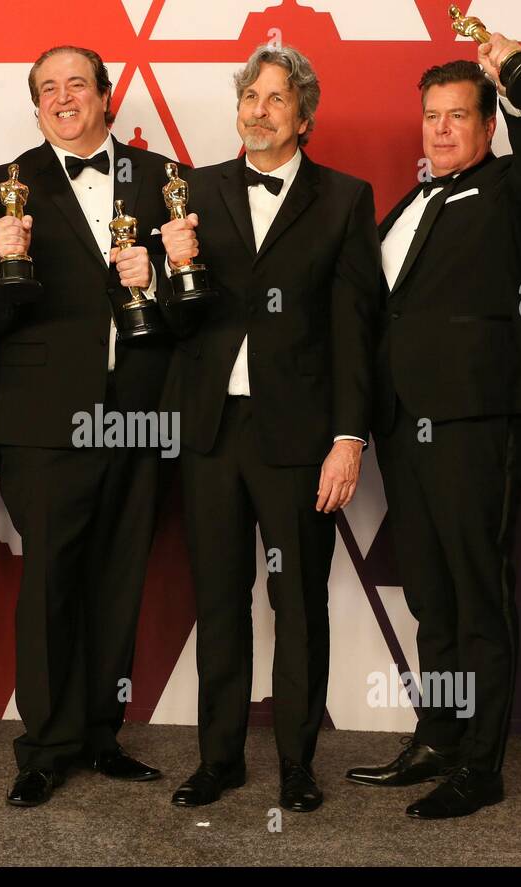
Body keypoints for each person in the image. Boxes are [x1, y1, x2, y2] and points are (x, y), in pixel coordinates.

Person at [345, 38, 521, 819]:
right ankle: (438, 737)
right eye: (430, 118)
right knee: (433, 597)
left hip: (477, 420)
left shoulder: (514, 186)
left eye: (457, 118)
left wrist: (511, 74)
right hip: (405, 428)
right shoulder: (408, 203)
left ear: (487, 124)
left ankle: (482, 765)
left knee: (478, 593)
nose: (440, 132)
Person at [158, 45, 382, 811]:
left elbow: (357, 330)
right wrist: (169, 270)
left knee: (299, 604)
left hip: (300, 438)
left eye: (275, 98)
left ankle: (296, 764)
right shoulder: (192, 189)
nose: (257, 109)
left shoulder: (346, 199)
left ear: (304, 115)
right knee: (219, 601)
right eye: (249, 96)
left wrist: (348, 438)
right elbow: (176, 321)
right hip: (212, 433)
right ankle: (217, 760)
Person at [0, 45, 175, 807]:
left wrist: (157, 277)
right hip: (45, 421)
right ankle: (45, 746)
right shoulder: (1, 185)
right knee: (52, 580)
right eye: (47, 88)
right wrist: (1, 263)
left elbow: (194, 304)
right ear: (36, 105)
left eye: (76, 85)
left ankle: (101, 733)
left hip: (137, 413)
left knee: (119, 576)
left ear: (105, 96)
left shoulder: (160, 180)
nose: (63, 98)